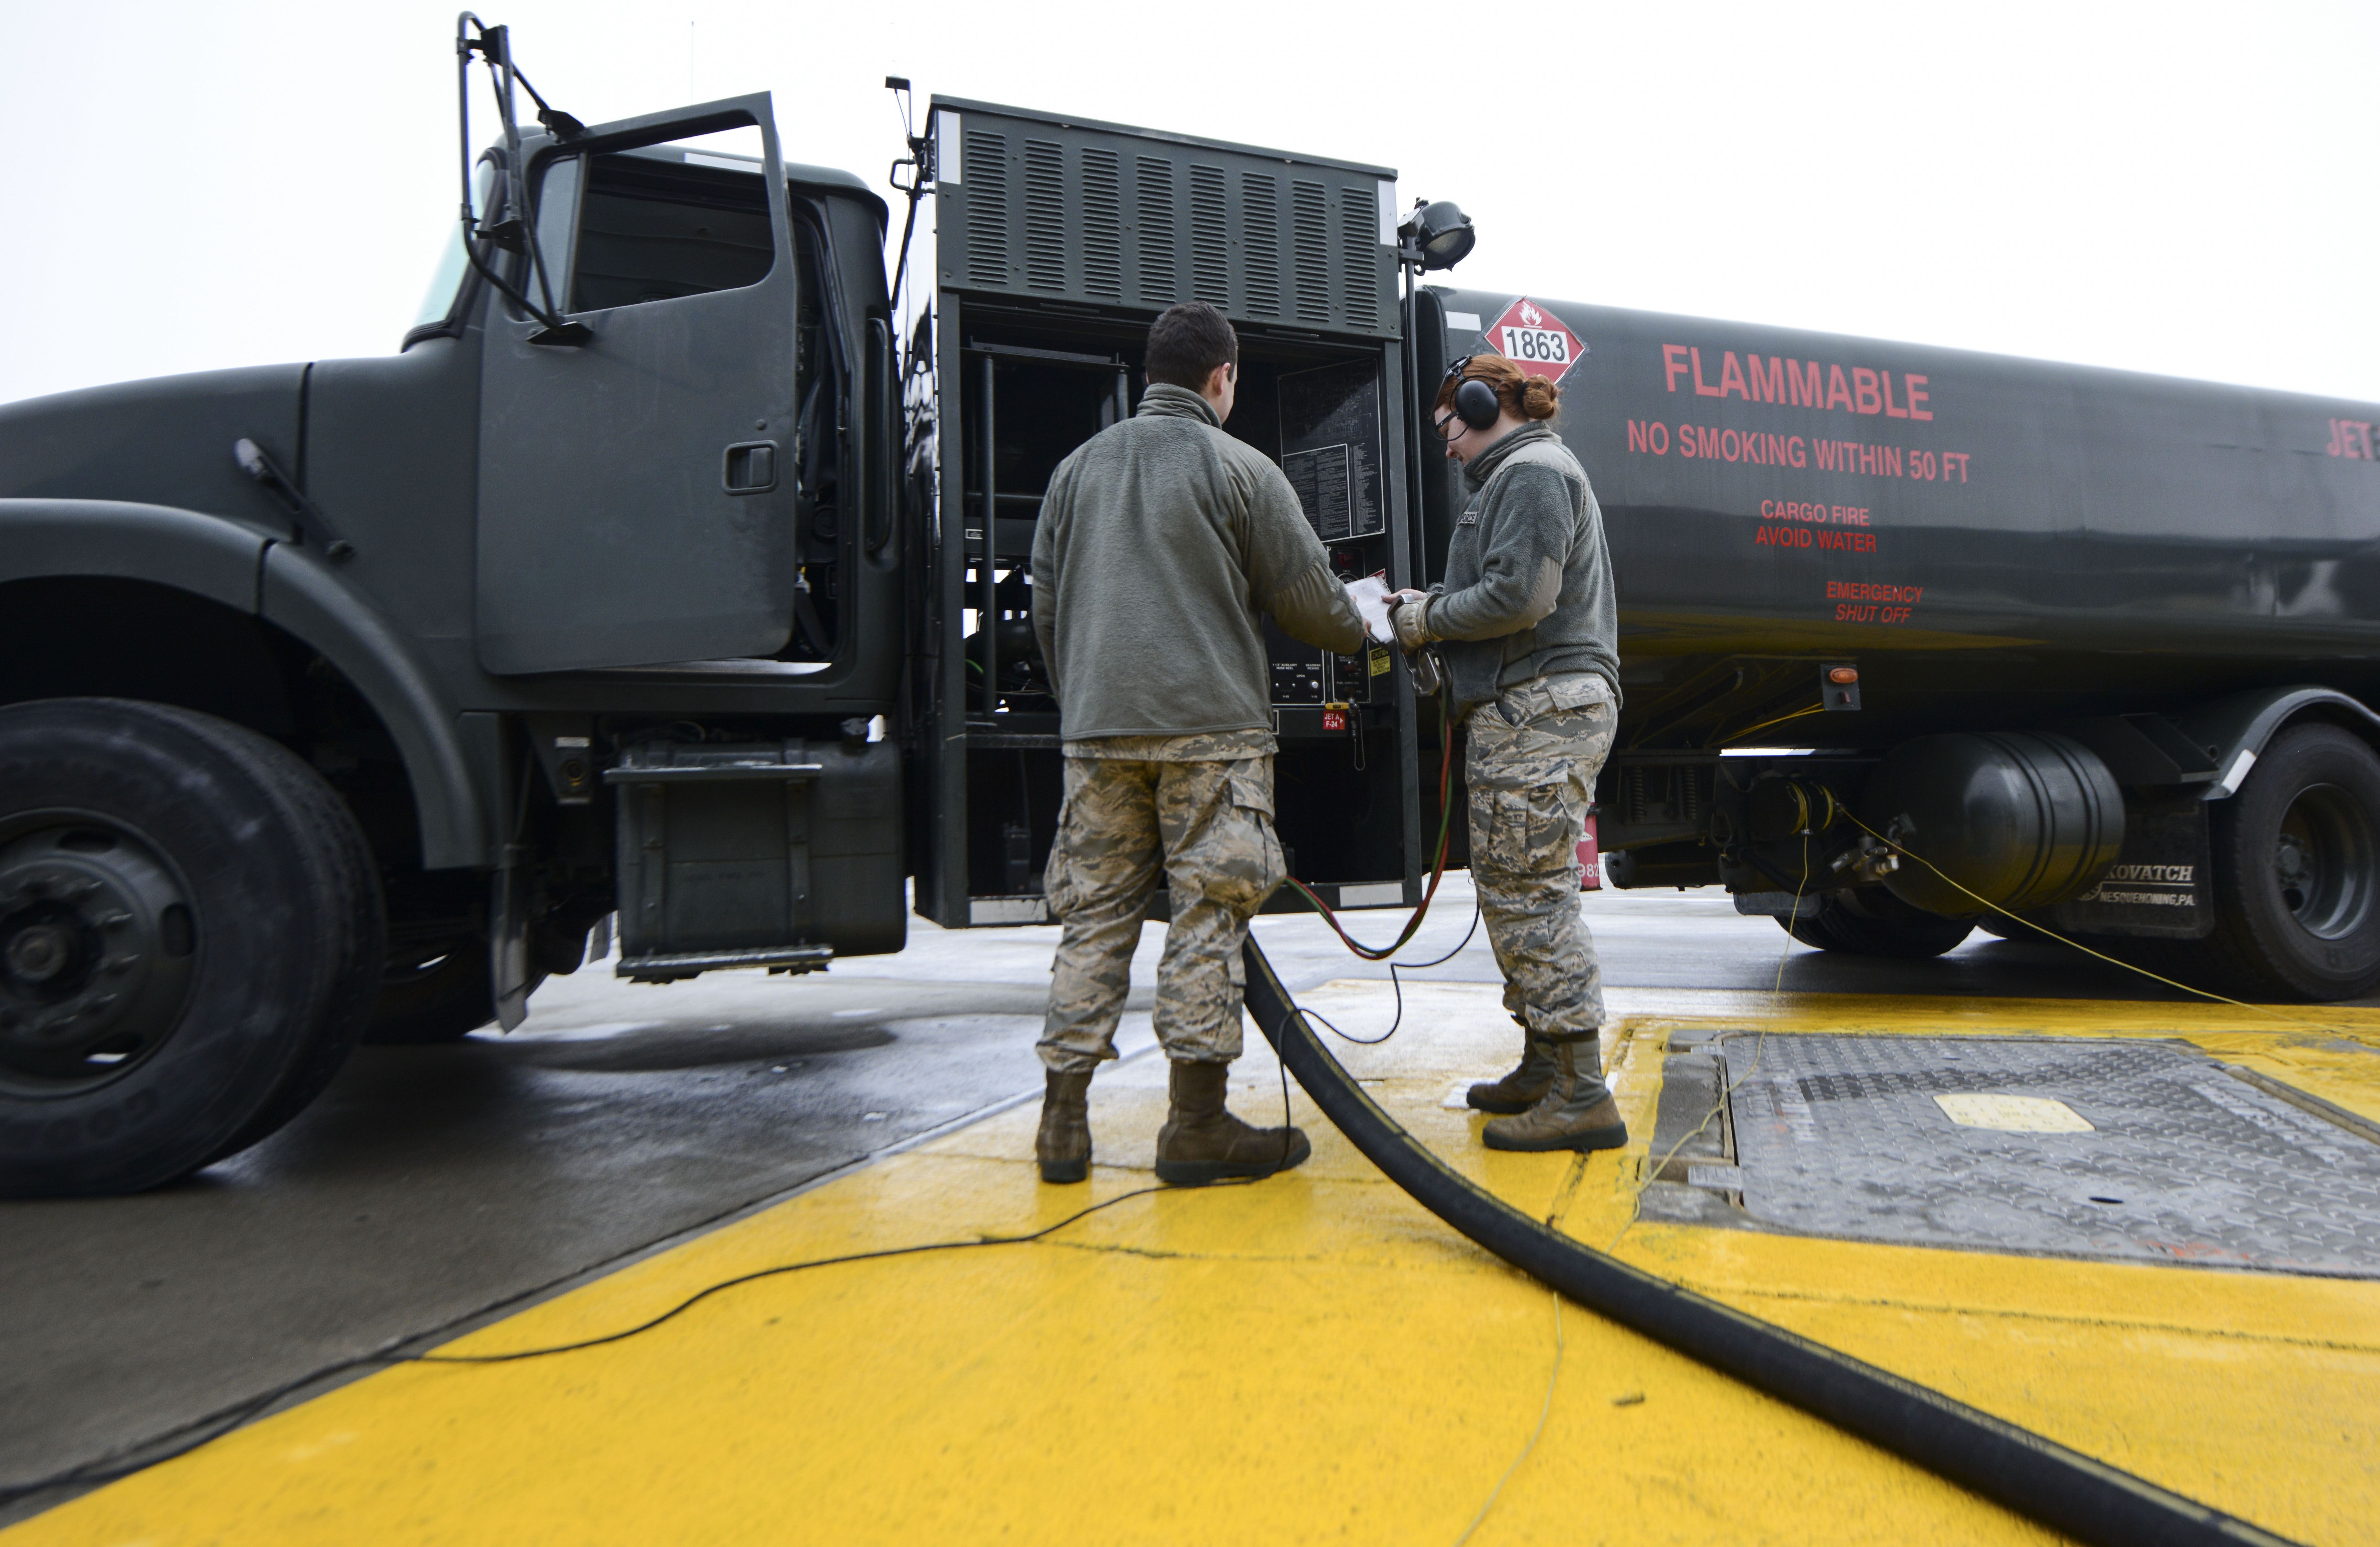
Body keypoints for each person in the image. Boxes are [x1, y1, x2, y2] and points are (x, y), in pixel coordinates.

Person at [1030, 300, 1368, 1185]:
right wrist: (1373, 622)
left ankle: (1063, 1128)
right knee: (1208, 916)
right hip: (1211, 735)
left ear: (1153, 375)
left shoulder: (1075, 472)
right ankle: (1197, 1126)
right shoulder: (1241, 468)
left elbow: (1045, 608)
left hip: (1098, 731)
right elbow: (1312, 605)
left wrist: (1092, 704)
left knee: (1093, 922)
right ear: (1223, 378)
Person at [1391, 353, 1625, 1152]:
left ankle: (1583, 1092)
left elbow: (1522, 597)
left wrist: (1424, 617)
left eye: (1447, 428)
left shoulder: (1529, 472)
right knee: (1512, 884)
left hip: (1543, 709)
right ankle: (1544, 1062)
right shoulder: (1513, 478)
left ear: (1483, 406)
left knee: (1532, 891)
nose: (1447, 446)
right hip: (1524, 710)